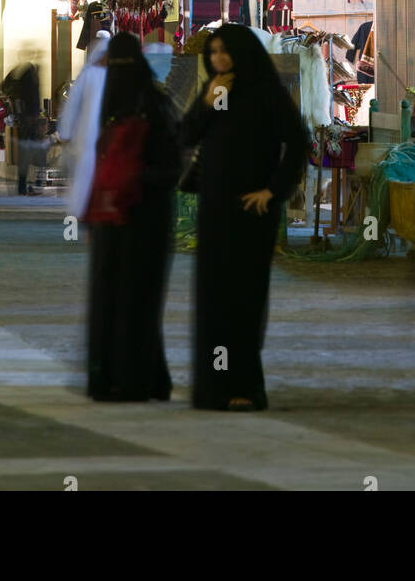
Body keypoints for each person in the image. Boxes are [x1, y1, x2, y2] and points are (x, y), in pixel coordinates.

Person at [181, 23, 310, 411]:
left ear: (242, 53)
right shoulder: (216, 92)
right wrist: (208, 101)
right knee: (213, 297)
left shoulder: (266, 93)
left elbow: (299, 142)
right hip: (215, 209)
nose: (219, 58)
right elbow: (185, 136)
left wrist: (274, 190)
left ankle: (246, 386)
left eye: (225, 51)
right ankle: (213, 387)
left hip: (252, 213)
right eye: (214, 52)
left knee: (245, 297)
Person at [83, 31, 178, 402]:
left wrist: (135, 179)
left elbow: (171, 166)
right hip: (123, 219)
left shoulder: (143, 105)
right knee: (124, 299)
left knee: (133, 299)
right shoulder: (143, 101)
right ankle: (138, 379)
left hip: (141, 219)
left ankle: (130, 380)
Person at [58, 29, 111, 218]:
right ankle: (82, 211)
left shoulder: (108, 75)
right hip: (88, 134)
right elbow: (72, 106)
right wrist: (65, 132)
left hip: (100, 134)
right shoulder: (89, 75)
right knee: (87, 172)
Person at [1, 59, 42, 195]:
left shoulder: (23, 83)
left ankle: (27, 185)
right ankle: (26, 186)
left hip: (27, 120)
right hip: (28, 122)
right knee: (28, 153)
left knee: (29, 153)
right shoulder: (28, 83)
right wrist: (29, 116)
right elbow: (32, 101)